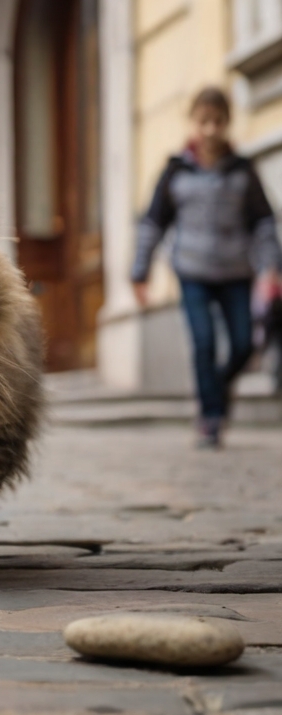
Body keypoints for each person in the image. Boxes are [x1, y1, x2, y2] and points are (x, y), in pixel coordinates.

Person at [132, 86, 282, 449]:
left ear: (228, 122)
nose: (211, 129)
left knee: (246, 345)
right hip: (192, 271)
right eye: (204, 121)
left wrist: (271, 269)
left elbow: (263, 223)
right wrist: (140, 272)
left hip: (236, 272)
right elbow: (152, 223)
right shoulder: (175, 170)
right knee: (203, 342)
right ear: (194, 123)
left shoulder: (243, 170)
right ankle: (211, 418)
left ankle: (216, 386)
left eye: (218, 121)